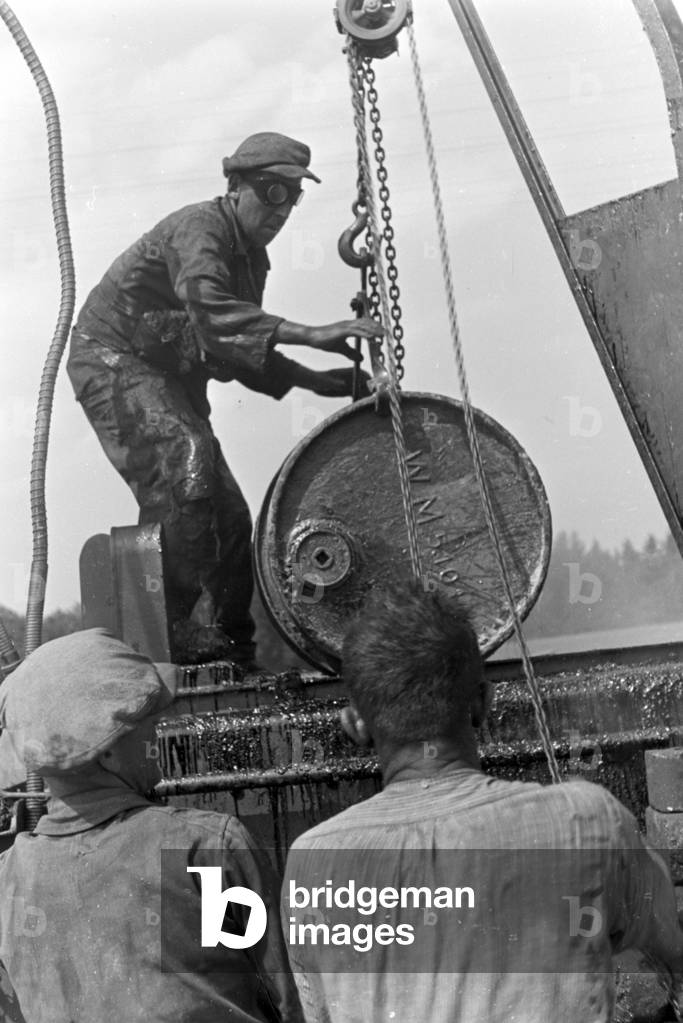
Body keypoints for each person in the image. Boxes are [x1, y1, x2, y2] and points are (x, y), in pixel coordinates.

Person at [281, 584, 683, 1022]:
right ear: (483, 703)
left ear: (355, 723)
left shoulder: (311, 863)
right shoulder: (586, 821)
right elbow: (671, 949)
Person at [66, 131, 380, 666]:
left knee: (232, 519)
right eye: (271, 191)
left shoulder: (252, 262)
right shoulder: (200, 229)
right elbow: (212, 312)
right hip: (112, 357)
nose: (281, 209)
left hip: (167, 371)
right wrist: (314, 333)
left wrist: (316, 381)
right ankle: (174, 626)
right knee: (185, 458)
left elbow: (230, 348)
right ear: (235, 187)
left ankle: (232, 645)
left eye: (292, 196)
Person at [0, 628, 304, 1023]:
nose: (157, 732)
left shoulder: (8, 879)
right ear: (106, 750)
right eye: (145, 722)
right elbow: (290, 999)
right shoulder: (205, 849)